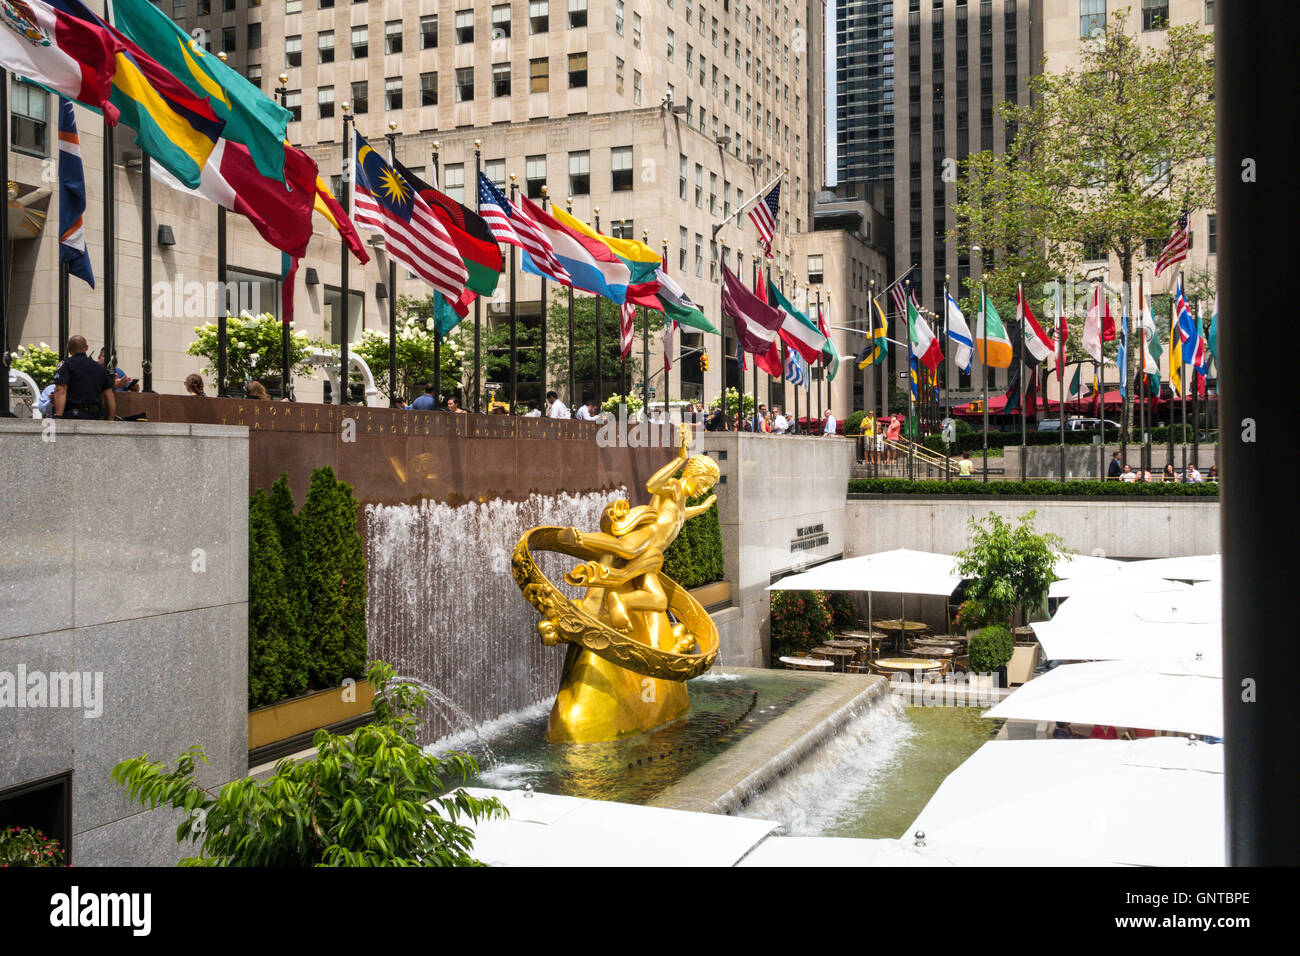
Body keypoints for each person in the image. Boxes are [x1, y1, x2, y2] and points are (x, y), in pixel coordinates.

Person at [53, 335, 115, 420]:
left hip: (73, 416)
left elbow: (60, 390)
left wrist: (58, 416)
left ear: (68, 348)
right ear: (86, 348)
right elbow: (109, 396)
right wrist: (110, 419)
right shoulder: (101, 369)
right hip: (96, 416)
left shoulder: (67, 366)